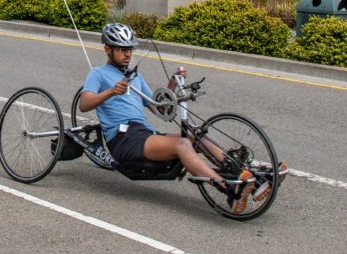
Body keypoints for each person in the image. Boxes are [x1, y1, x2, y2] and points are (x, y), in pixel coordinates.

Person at [78, 23, 260, 215]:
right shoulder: (97, 74)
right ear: (108, 49)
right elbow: (84, 103)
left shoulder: (134, 75)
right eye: (122, 50)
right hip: (124, 139)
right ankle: (227, 187)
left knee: (195, 137)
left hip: (144, 133)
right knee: (182, 145)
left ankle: (241, 174)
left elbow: (158, 107)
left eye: (130, 49)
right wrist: (111, 91)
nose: (128, 54)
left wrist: (171, 85)